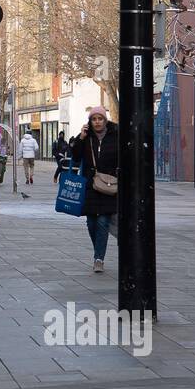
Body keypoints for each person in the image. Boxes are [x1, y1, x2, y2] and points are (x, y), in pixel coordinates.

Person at [68, 106, 118, 274]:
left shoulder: (115, 135)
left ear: (105, 120)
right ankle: (98, 251)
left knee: (103, 222)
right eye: (94, 119)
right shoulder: (86, 136)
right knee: (91, 223)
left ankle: (99, 258)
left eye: (100, 119)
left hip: (109, 186)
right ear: (90, 121)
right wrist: (81, 137)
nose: (97, 122)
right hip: (90, 186)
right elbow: (75, 157)